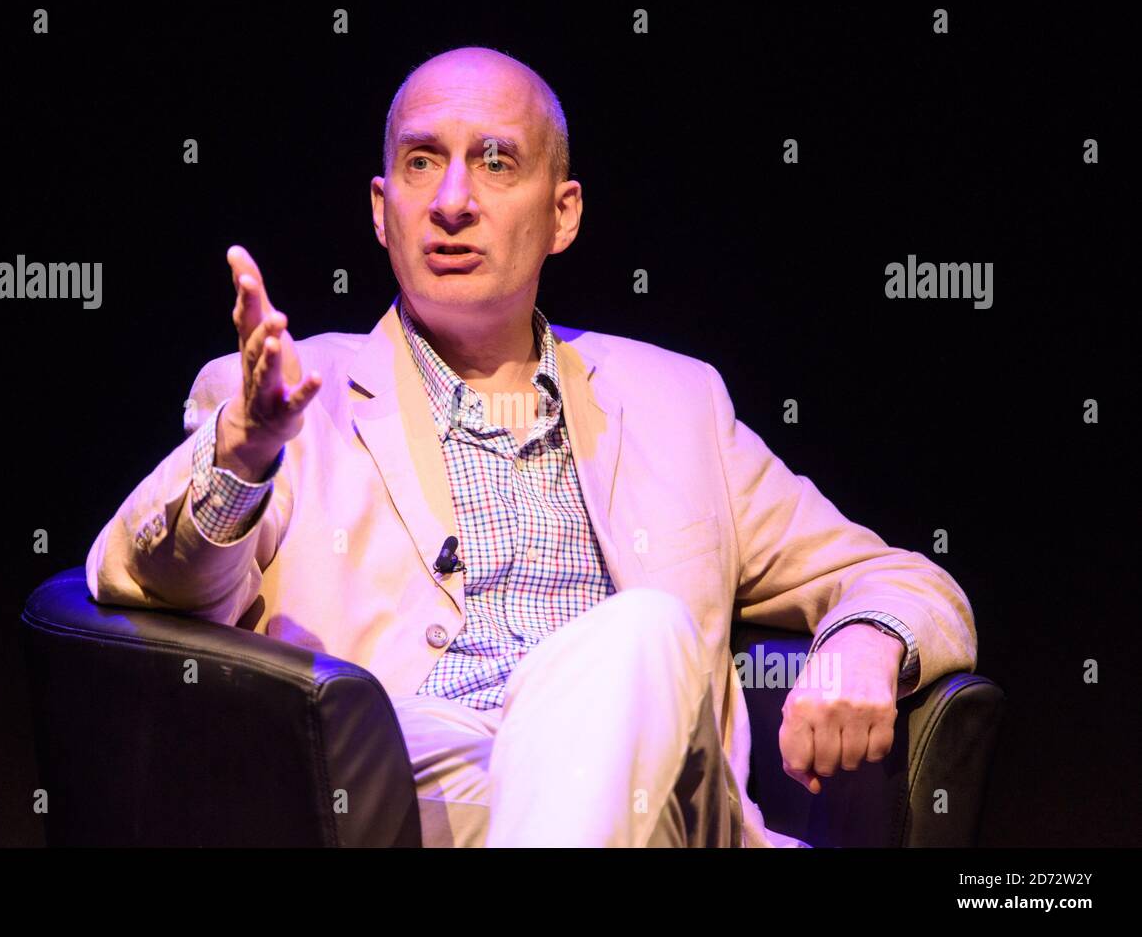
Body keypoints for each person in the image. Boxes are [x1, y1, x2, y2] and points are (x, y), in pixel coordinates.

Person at [86, 46, 977, 847]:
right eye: (421, 161)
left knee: (640, 632)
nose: (452, 201)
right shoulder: (290, 402)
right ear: (380, 207)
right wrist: (242, 457)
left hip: (666, 803)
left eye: (496, 162)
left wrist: (862, 641)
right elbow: (135, 581)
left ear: (563, 214)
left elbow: (904, 577)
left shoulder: (677, 403)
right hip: (415, 797)